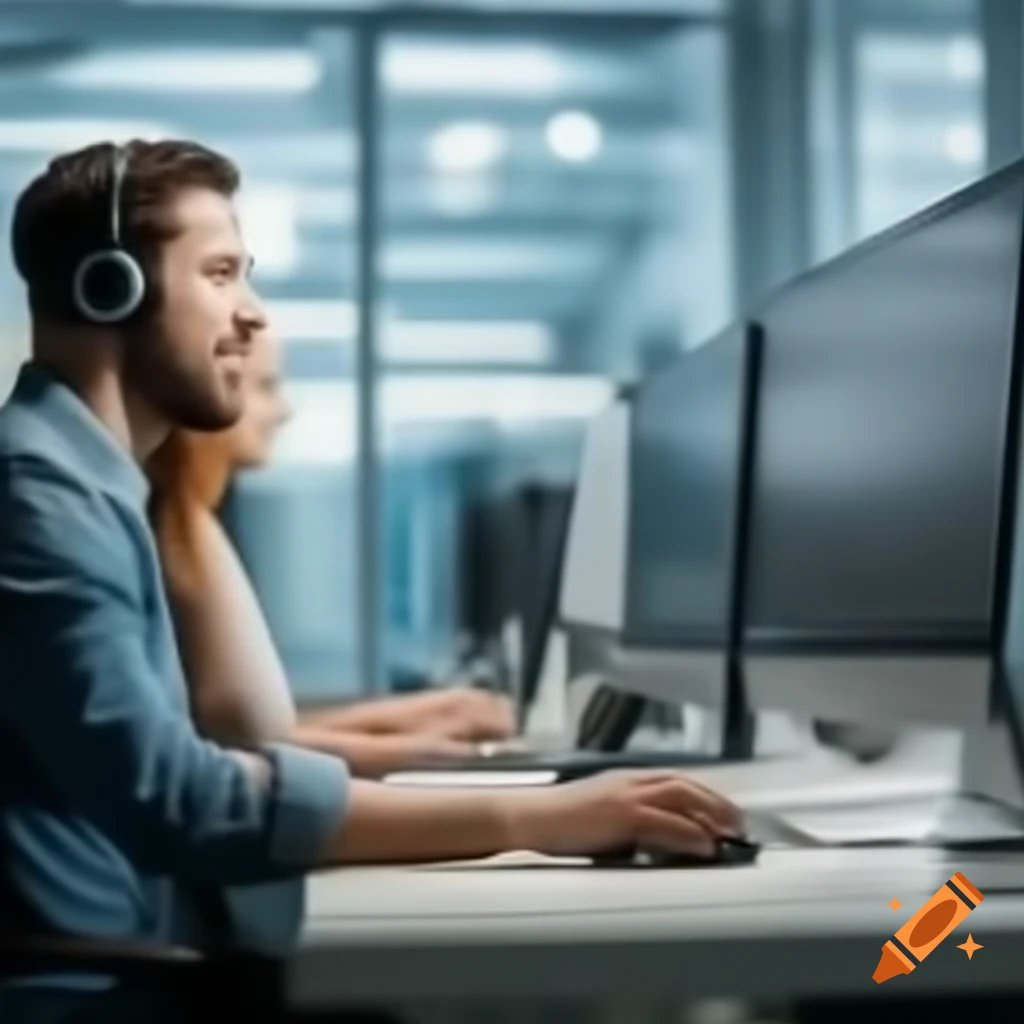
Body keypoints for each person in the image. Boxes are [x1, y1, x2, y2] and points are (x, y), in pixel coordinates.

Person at [0, 138, 742, 963]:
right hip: (99, 988)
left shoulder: (82, 488)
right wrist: (535, 816)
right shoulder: (41, 503)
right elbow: (179, 797)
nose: (254, 314)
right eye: (220, 274)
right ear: (110, 288)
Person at [146, 325, 516, 776]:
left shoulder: (194, 522)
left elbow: (251, 734)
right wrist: (461, 759)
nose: (285, 410)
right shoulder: (175, 533)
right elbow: (240, 749)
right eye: (266, 387)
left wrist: (420, 718)